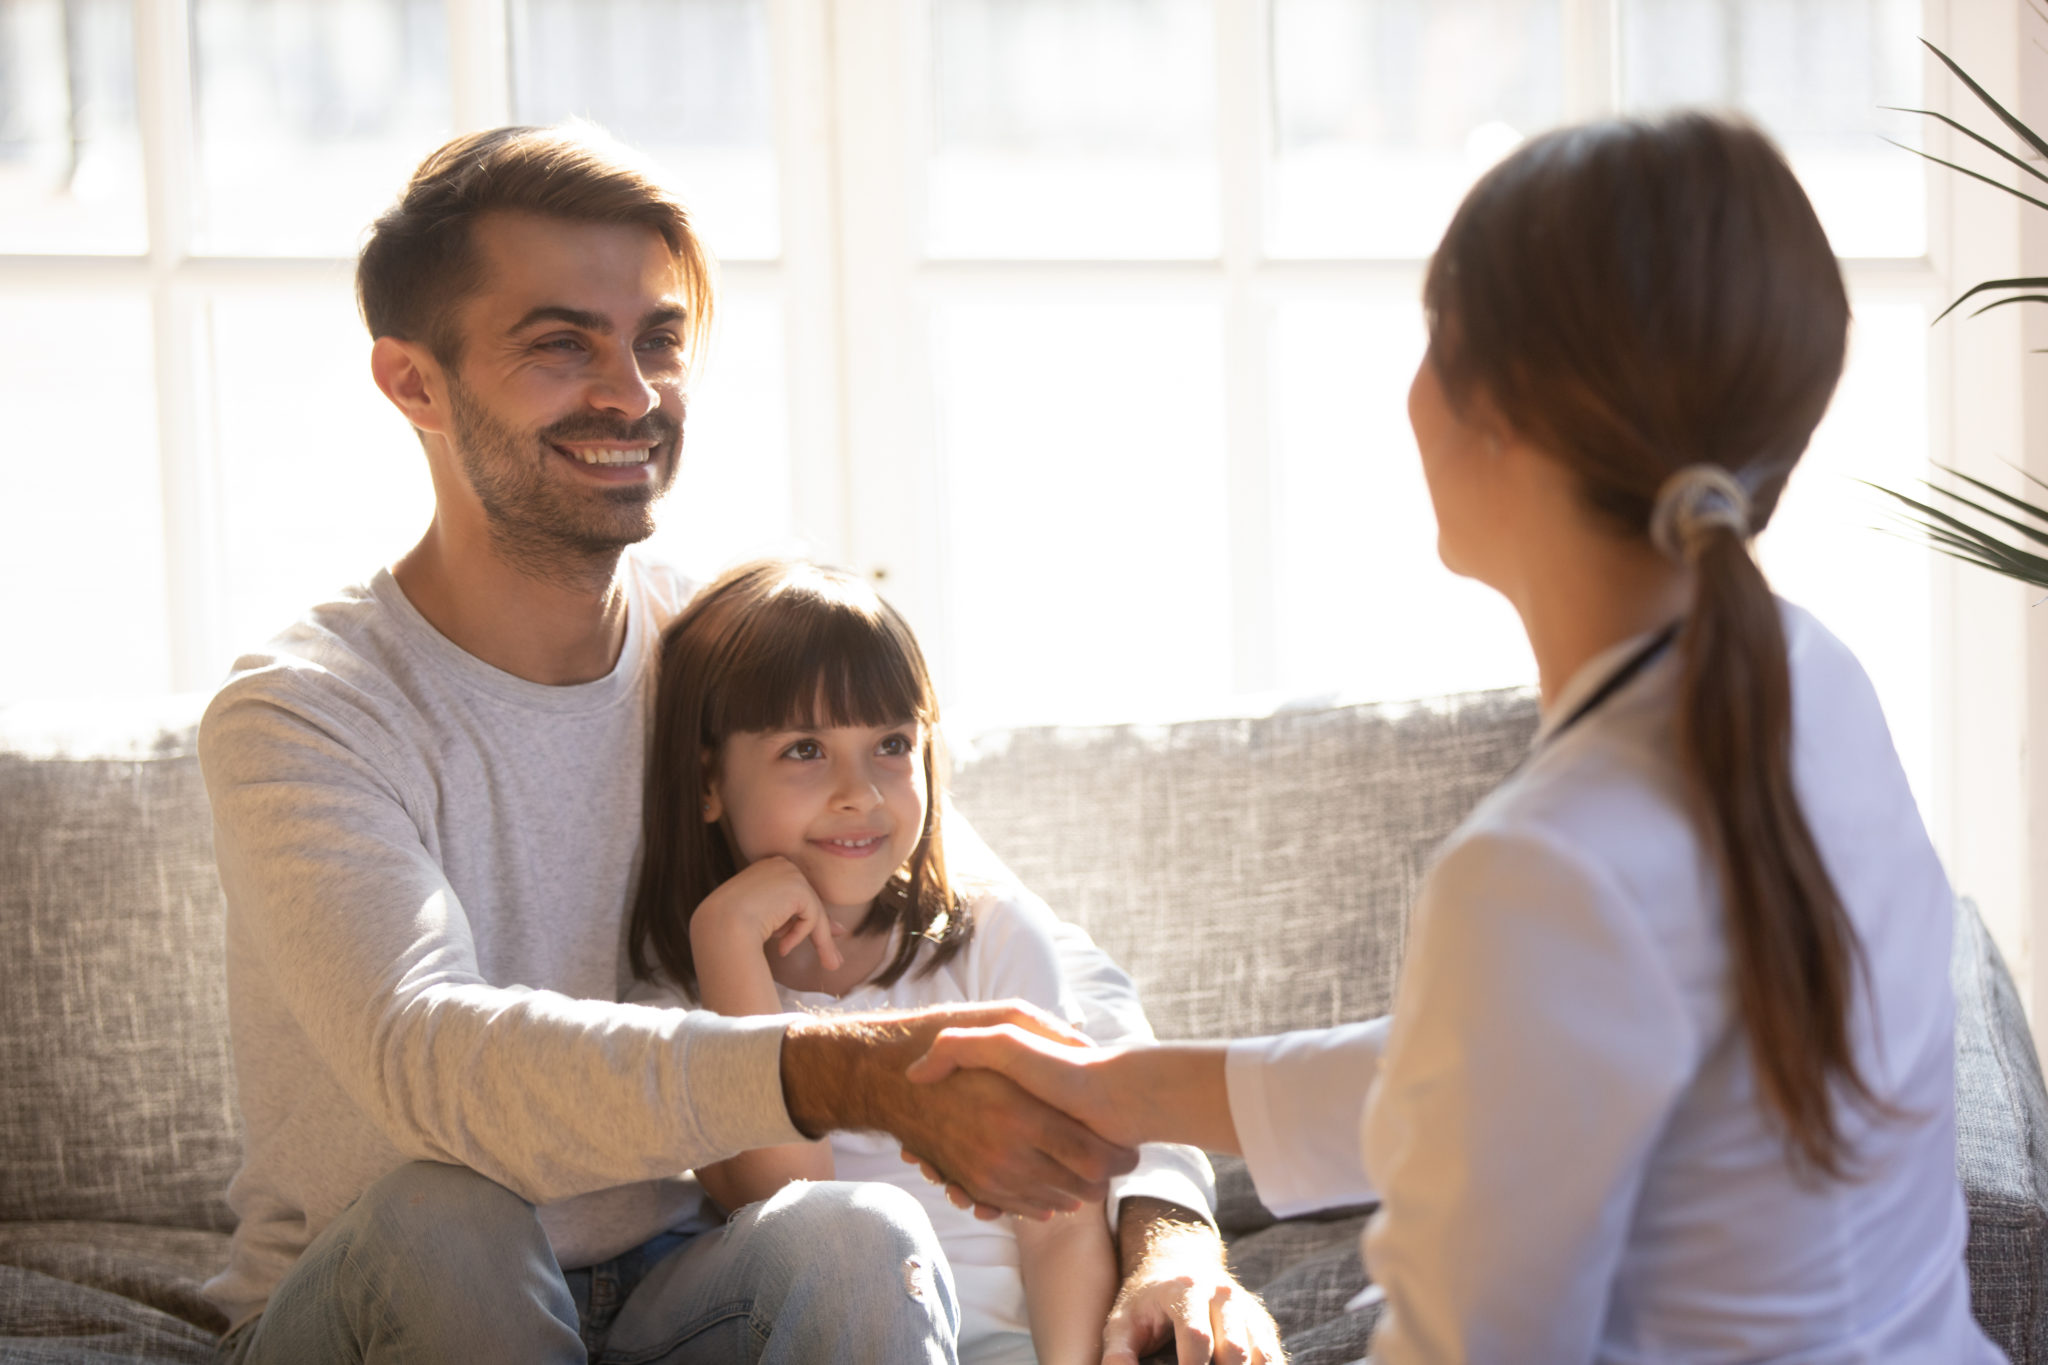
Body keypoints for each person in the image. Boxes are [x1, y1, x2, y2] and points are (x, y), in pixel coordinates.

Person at [907, 112, 2007, 1363]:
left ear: (1501, 416)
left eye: (1433, 342)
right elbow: (1516, 1070)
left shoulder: (1542, 870)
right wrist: (1132, 1090)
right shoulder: (1812, 680)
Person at [198, 123, 1278, 1364]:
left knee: (852, 1234)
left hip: (675, 1285)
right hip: (389, 1302)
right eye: (561, 344)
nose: (633, 392)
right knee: (451, 1218)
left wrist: (1171, 1244)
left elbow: (1037, 966)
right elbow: (434, 1064)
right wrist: (842, 1067)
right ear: (413, 382)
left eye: (656, 339)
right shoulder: (306, 711)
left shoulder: (714, 644)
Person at [625, 556, 1119, 1365]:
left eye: (891, 742)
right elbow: (800, 1212)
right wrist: (727, 940)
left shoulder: (994, 940)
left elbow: (1063, 1224)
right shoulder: (679, 999)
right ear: (708, 779)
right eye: (805, 749)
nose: (861, 791)